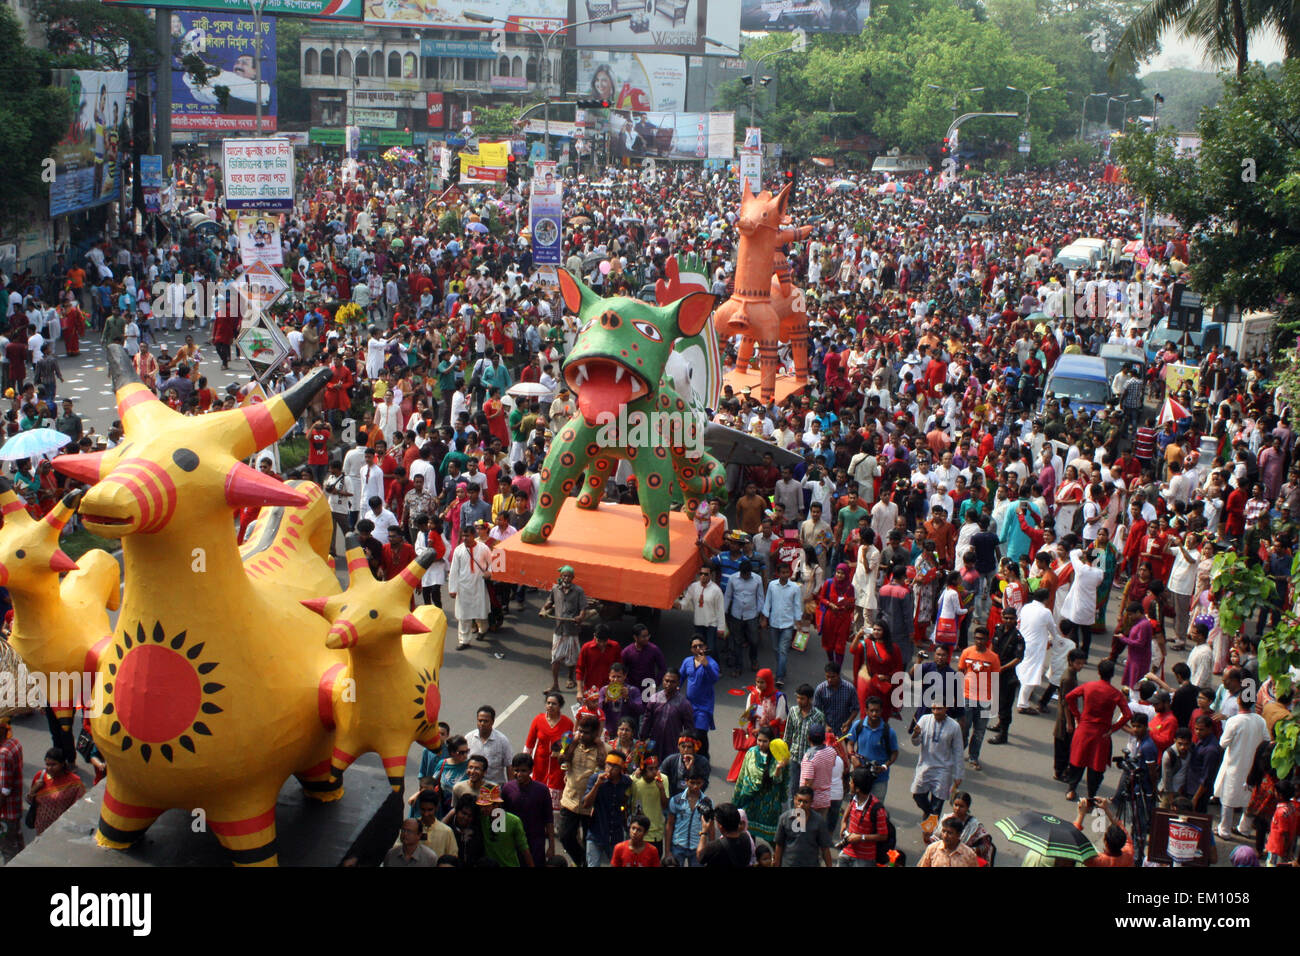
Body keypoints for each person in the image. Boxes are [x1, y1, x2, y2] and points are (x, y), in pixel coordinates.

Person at [1064, 659, 1133, 801]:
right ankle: (1090, 796)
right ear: (1112, 674)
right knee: (1096, 766)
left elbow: (1069, 697)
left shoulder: (1088, 686)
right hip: (1102, 734)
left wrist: (1077, 716)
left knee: (1077, 761)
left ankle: (1071, 790)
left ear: (1098, 672)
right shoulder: (1115, 693)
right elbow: (1128, 714)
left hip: (1084, 728)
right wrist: (1113, 729)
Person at [1213, 695, 1269, 840]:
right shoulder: (1260, 720)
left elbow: (1223, 743)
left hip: (1234, 765)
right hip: (1253, 765)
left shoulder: (1234, 721)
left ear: (1239, 702)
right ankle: (1244, 828)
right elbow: (1267, 739)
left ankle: (1224, 830)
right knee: (1249, 797)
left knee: (1228, 798)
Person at [557, 715, 607, 866]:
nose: (582, 735)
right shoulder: (573, 745)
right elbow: (561, 760)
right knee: (565, 836)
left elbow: (605, 766)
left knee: (589, 841)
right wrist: (569, 745)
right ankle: (580, 861)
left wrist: (600, 746)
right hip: (570, 800)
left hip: (590, 805)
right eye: (580, 731)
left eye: (586, 732)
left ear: (595, 733)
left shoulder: (603, 750)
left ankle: (586, 862)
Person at [910, 703, 964, 840]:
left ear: (946, 709)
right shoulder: (924, 720)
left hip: (943, 770)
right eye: (933, 708)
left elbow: (958, 751)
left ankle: (928, 834)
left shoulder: (954, 726)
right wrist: (915, 734)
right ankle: (930, 816)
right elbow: (916, 742)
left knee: (937, 804)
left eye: (939, 708)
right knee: (917, 794)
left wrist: (958, 774)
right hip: (925, 766)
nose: (936, 711)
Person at [732, 724, 790, 842]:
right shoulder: (751, 753)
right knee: (747, 835)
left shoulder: (777, 757)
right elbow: (743, 775)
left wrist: (779, 768)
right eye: (759, 740)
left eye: (765, 741)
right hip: (750, 800)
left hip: (769, 804)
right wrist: (737, 798)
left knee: (773, 839)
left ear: (771, 742)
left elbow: (778, 780)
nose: (761, 744)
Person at [582, 750, 634, 867]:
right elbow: (586, 804)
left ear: (621, 768)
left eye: (615, 766)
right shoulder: (595, 779)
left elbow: (628, 803)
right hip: (596, 833)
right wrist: (597, 785)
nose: (610, 769)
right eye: (608, 764)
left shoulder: (626, 782)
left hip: (616, 834)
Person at [541, 565, 588, 691]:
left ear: (573, 577)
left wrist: (580, 616)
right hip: (559, 629)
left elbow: (583, 608)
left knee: (572, 657)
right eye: (564, 576)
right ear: (561, 577)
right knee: (555, 657)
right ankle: (555, 684)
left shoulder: (578, 591)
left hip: (572, 629)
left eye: (568, 576)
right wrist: (546, 607)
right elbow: (550, 602)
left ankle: (570, 678)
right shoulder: (556, 589)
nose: (566, 578)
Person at [503, 753, 554, 866]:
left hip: (535, 842)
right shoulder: (507, 788)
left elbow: (549, 820)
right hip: (513, 841)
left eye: (523, 770)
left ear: (531, 770)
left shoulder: (542, 790)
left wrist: (551, 846)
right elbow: (502, 815)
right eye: (516, 770)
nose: (519, 774)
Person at [525, 692, 574, 810]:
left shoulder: (568, 723)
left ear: (560, 706)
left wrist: (562, 754)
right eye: (548, 703)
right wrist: (525, 763)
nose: (550, 706)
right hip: (539, 764)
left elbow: (570, 747)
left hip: (557, 767)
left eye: (554, 704)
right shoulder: (538, 720)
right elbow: (529, 744)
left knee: (554, 804)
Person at [447, 524, 491, 648]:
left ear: (474, 536)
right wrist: (452, 589)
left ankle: (482, 630)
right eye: (463, 536)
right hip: (463, 587)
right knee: (463, 615)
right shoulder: (459, 550)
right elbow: (454, 570)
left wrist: (490, 572)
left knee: (481, 611)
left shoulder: (483, 548)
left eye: (467, 536)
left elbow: (494, 563)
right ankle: (464, 641)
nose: (465, 538)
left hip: (479, 585)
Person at [761, 561, 803, 686]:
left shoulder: (795, 587)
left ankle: (779, 677)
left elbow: (797, 605)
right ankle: (782, 669)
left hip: (788, 625)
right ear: (778, 573)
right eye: (783, 572)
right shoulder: (772, 585)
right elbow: (767, 602)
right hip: (774, 623)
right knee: (775, 649)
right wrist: (764, 618)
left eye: (787, 572)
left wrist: (798, 621)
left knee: (783, 650)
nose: (785, 575)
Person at [837, 767, 890, 867]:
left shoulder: (877, 809)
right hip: (847, 851)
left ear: (858, 788)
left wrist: (861, 837)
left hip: (864, 859)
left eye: (851, 782)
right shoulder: (854, 799)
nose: (849, 783)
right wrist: (843, 824)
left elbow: (883, 836)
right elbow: (846, 814)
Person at [26, 747, 84, 835]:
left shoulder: (74, 782)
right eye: (47, 764)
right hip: (42, 827)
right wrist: (34, 789)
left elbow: (79, 807)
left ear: (62, 764)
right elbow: (30, 801)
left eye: (53, 765)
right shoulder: (40, 776)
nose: (49, 768)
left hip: (63, 829)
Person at [774, 786, 835, 867]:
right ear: (795, 799)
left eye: (805, 802)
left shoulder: (819, 821)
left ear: (811, 802)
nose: (801, 805)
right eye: (799, 801)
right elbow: (779, 845)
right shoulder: (784, 819)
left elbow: (825, 848)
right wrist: (777, 863)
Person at [680, 636, 720, 757]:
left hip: (704, 707)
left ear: (705, 647)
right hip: (689, 705)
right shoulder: (687, 661)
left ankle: (704, 757)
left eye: (700, 646)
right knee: (689, 734)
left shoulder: (711, 663)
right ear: (691, 649)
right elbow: (681, 677)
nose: (698, 648)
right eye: (694, 646)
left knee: (700, 734)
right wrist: (676, 688)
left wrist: (706, 665)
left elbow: (715, 679)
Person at [664, 769, 711, 867]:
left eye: (698, 783)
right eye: (692, 783)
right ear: (686, 781)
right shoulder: (676, 800)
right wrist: (667, 851)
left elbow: (710, 827)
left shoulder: (707, 802)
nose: (695, 786)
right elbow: (670, 825)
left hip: (698, 847)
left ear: (703, 782)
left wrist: (711, 851)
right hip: (678, 845)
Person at [941, 791, 995, 864]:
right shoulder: (945, 819)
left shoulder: (974, 825)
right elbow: (935, 839)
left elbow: (986, 845)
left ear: (967, 808)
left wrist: (972, 850)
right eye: (956, 805)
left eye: (961, 806)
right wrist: (927, 836)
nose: (957, 808)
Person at [696, 802, 753, 867]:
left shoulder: (715, 847)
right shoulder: (746, 838)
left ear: (720, 826)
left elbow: (700, 856)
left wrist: (704, 831)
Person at [0, 717, 23, 862]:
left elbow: (4, 790)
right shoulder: (14, 743)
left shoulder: (3, 753)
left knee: (8, 849)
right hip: (15, 807)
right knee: (18, 843)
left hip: (6, 812)